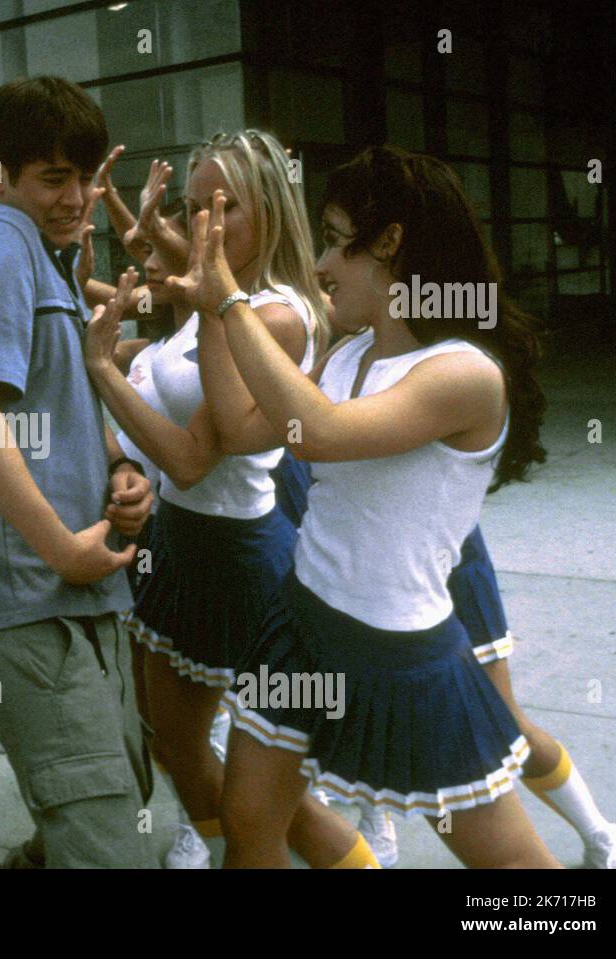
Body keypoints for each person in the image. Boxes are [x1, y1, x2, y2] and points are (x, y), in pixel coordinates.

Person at [191, 144, 560, 867]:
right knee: (249, 815)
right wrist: (210, 311)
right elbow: (238, 430)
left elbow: (322, 435)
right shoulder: (345, 355)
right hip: (300, 621)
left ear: (389, 241)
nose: (321, 265)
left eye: (333, 239)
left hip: (402, 655)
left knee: (515, 872)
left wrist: (229, 299)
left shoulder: (465, 374)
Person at [85, 130, 373, 870]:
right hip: (181, 546)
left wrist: (102, 372)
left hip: (242, 561)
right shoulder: (219, 289)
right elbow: (178, 270)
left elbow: (188, 457)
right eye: (193, 207)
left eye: (223, 206)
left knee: (274, 803)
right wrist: (137, 218)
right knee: (175, 742)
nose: (204, 224)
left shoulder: (269, 314)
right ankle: (221, 852)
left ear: (270, 208)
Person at [0, 76, 155, 869]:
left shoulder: (32, 247)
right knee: (109, 845)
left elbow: (39, 404)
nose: (76, 196)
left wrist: (118, 464)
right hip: (32, 599)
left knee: (105, 812)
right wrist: (60, 545)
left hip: (66, 594)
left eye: (85, 178)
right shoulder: (0, 239)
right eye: (54, 177)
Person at [273, 454, 616, 868]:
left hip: (437, 570)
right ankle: (376, 814)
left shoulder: (430, 394)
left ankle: (600, 833)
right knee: (344, 719)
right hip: (345, 586)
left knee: (506, 722)